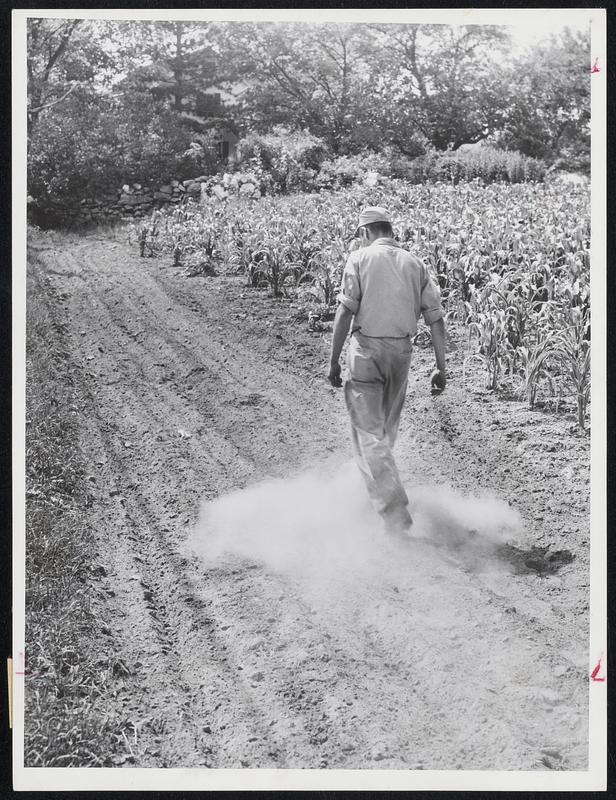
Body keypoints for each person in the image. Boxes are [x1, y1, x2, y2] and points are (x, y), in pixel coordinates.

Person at [327, 206, 447, 541]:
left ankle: (393, 510)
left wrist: (334, 359)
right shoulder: (414, 263)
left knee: (369, 435)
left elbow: (345, 310)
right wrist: (440, 366)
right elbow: (435, 318)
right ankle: (375, 496)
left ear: (365, 232)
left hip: (366, 352)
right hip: (401, 354)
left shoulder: (360, 258)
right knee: (385, 433)